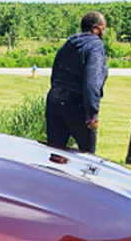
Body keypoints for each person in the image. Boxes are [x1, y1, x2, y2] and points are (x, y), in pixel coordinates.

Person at [46, 11, 108, 153]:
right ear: (95, 29)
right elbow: (92, 80)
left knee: (55, 153)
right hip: (76, 103)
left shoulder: (69, 43)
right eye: (103, 29)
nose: (103, 33)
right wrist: (92, 113)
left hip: (55, 99)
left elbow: (55, 72)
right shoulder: (95, 45)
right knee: (88, 157)